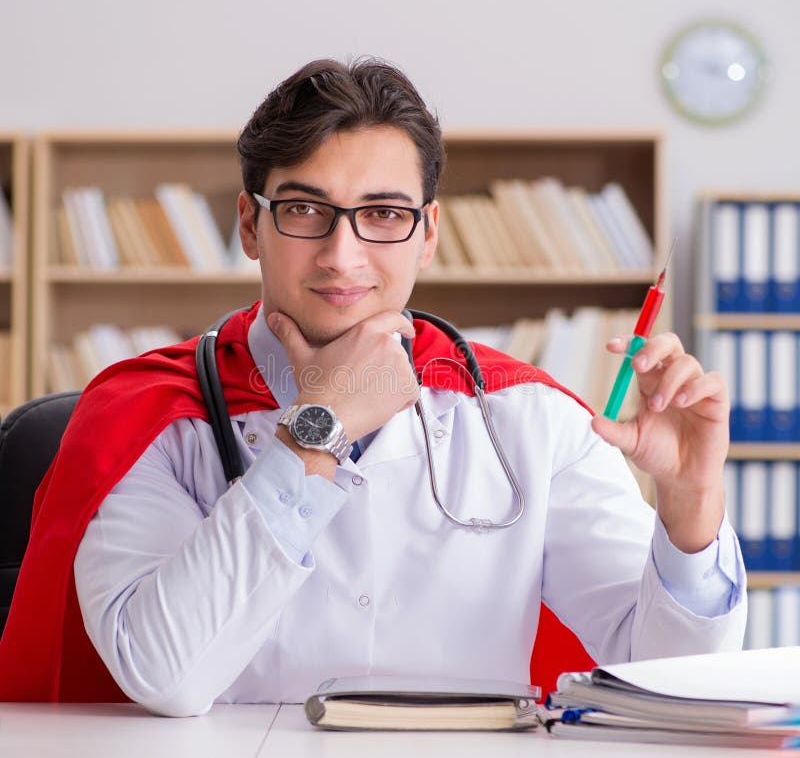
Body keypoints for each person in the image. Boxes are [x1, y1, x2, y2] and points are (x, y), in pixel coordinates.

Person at [0, 58, 745, 716]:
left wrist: (688, 510)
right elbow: (165, 674)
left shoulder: (529, 417)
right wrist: (317, 429)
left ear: (427, 233)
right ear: (250, 227)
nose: (342, 253)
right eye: (303, 210)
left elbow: (666, 678)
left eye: (384, 214)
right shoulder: (153, 417)